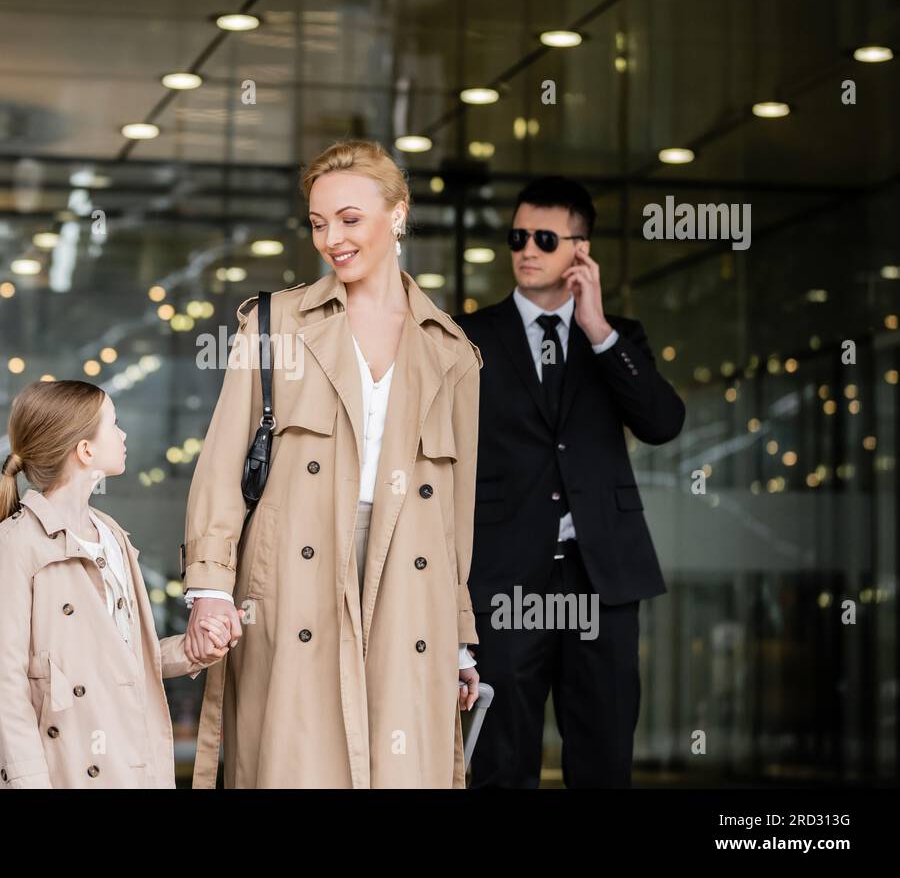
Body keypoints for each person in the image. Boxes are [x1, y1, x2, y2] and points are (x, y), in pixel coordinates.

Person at [180, 139, 484, 788]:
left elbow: (457, 515)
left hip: (412, 584)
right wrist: (209, 587)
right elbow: (223, 462)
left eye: (349, 219)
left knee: (400, 766)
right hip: (294, 571)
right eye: (319, 223)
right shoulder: (274, 323)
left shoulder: (453, 350)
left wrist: (458, 636)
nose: (331, 239)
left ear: (397, 215)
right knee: (298, 759)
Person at [452, 176, 686, 788]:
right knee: (501, 756)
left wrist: (598, 328)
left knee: (604, 753)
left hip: (601, 575)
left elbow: (663, 423)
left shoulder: (617, 337)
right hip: (504, 576)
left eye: (546, 238)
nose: (527, 249)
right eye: (518, 236)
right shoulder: (466, 337)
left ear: (581, 252)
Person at [0, 381, 234, 788]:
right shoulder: (13, 545)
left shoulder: (112, 536)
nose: (124, 435)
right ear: (85, 450)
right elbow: (6, 683)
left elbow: (118, 660)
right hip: (56, 769)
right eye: (115, 424)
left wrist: (192, 651)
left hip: (122, 758)